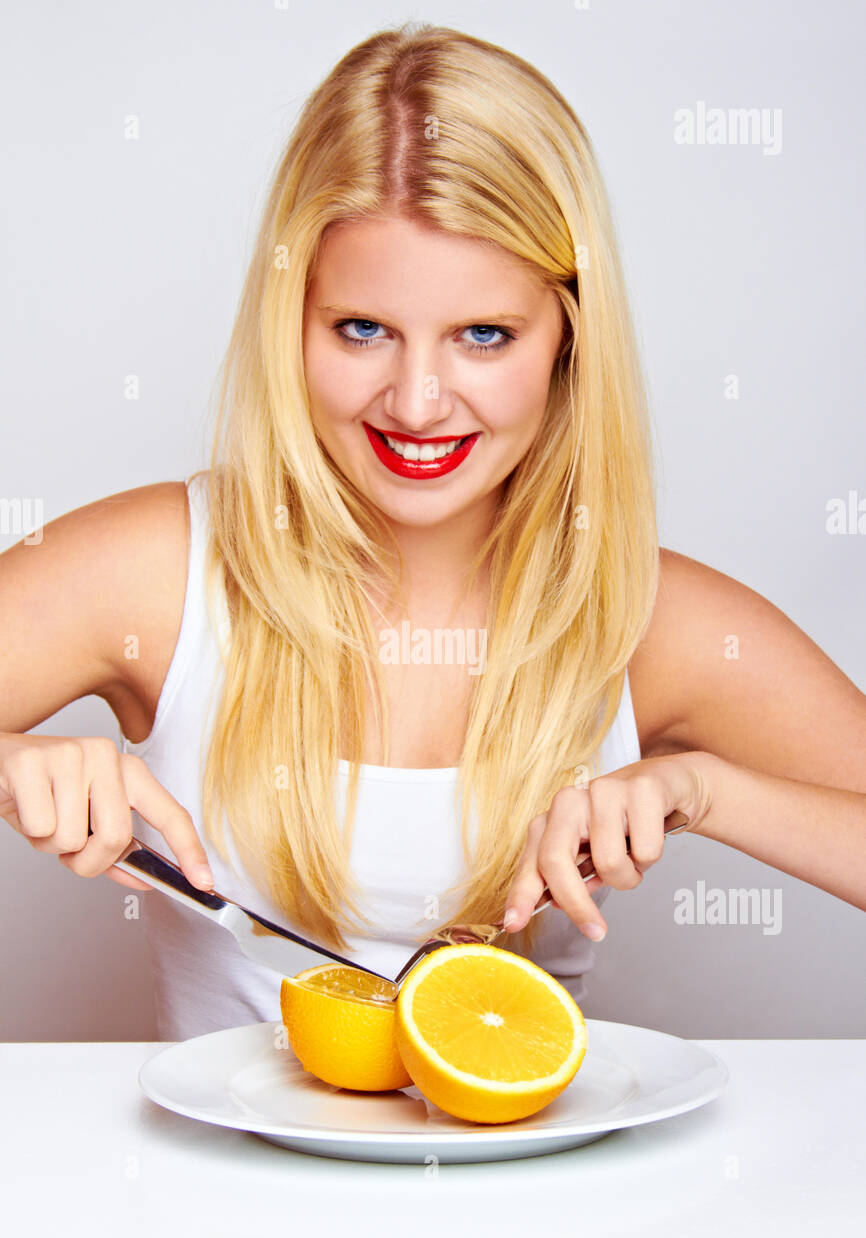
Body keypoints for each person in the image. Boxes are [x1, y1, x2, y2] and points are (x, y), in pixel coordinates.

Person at [2, 23, 864, 1042]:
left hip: (547, 1204)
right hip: (204, 1204)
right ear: (293, 323)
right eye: (361, 329)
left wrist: (706, 792)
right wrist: (12, 764)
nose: (414, 402)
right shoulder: (156, 570)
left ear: (566, 343)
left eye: (483, 336)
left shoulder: (651, 620)